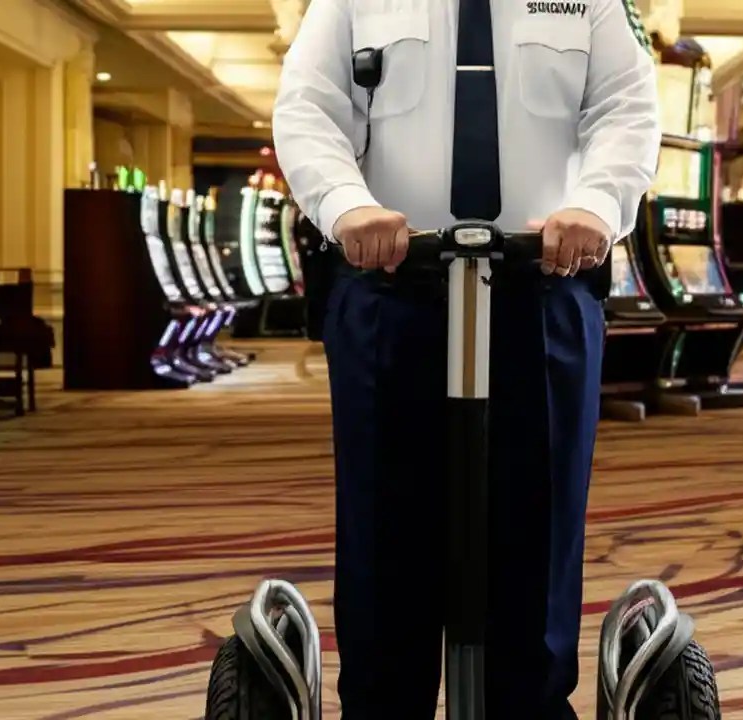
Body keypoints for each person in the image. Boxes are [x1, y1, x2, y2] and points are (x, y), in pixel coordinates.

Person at [273, 0, 659, 716]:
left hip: (542, 288)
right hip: (392, 288)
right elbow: (309, 109)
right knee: (386, 537)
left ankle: (532, 707)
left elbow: (625, 108)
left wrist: (597, 205)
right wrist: (345, 205)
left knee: (535, 536)